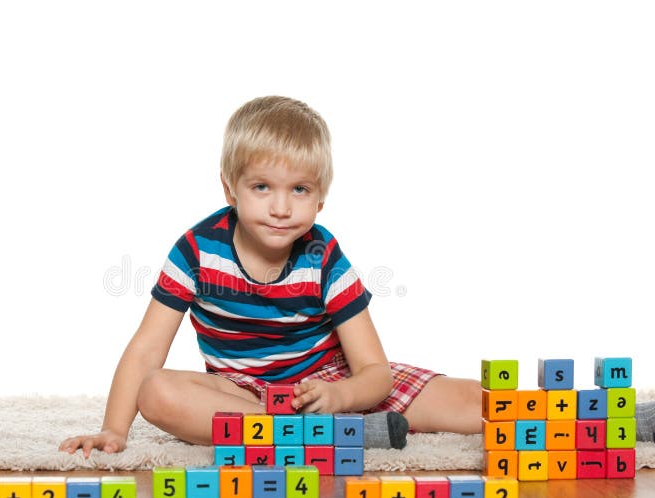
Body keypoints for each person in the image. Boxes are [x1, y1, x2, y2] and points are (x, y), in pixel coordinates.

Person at [60, 96, 652, 458]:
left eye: (300, 190)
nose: (281, 207)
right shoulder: (196, 250)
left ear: (321, 198)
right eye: (262, 187)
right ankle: (323, 436)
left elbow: (375, 371)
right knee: (158, 392)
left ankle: (607, 418)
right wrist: (114, 430)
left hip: (336, 382)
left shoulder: (324, 258)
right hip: (247, 397)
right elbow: (147, 348)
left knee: (474, 401)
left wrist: (341, 397)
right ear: (229, 189)